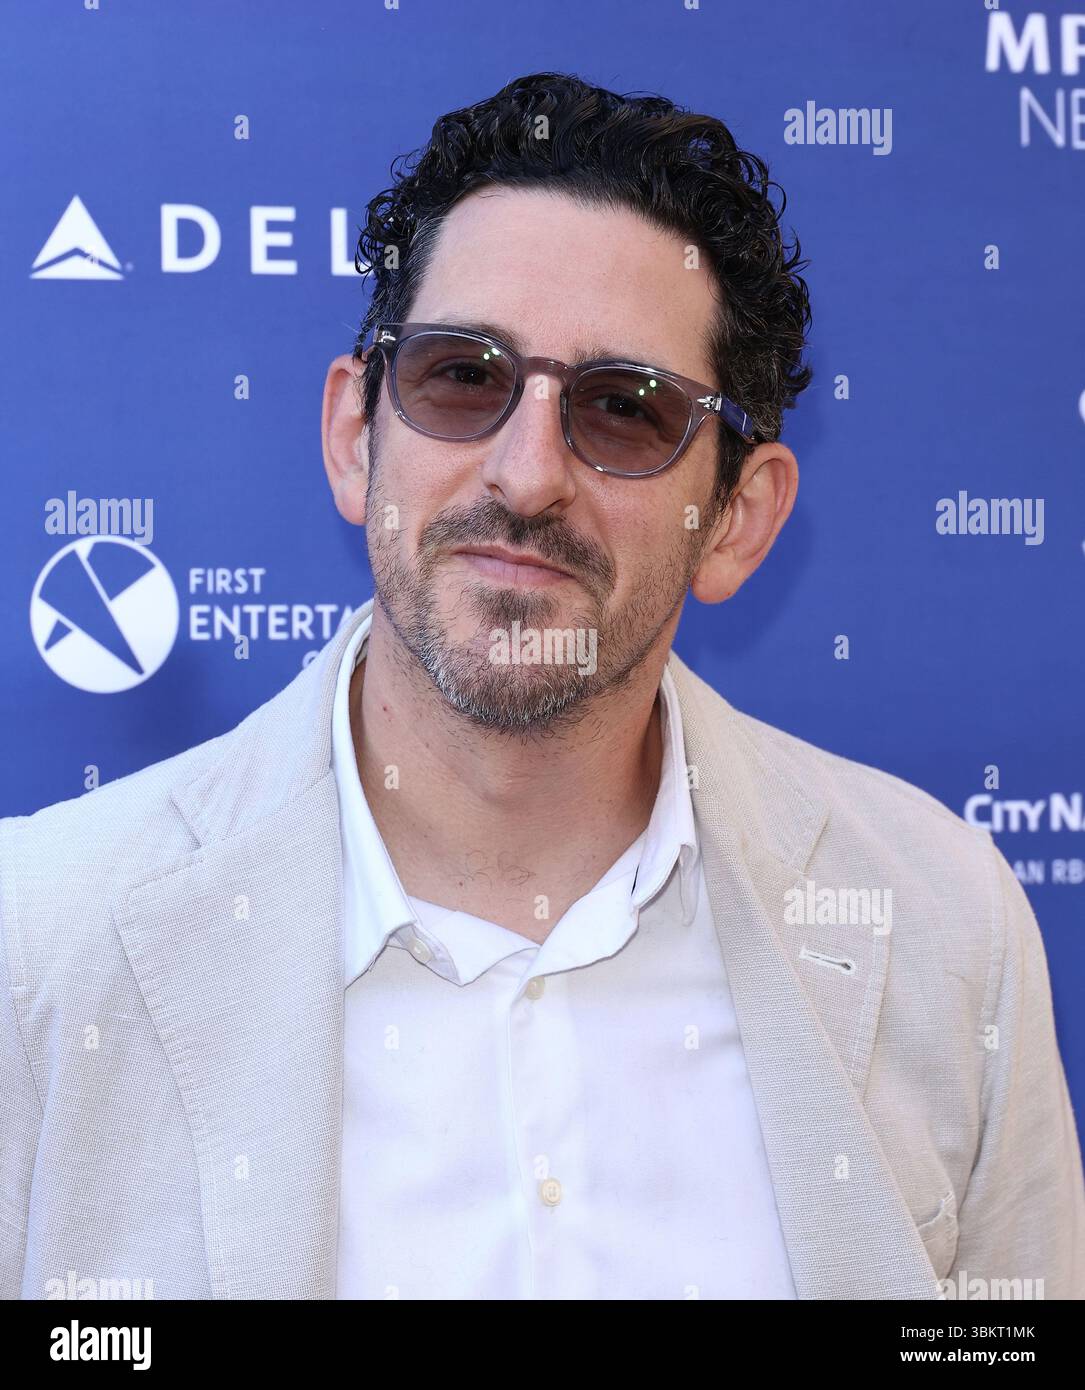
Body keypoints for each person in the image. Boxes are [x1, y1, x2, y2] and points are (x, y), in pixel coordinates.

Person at [2, 71, 1082, 1301]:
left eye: (624, 412)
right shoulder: (38, 945)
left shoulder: (943, 927)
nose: (526, 476)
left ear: (735, 517)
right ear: (358, 436)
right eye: (463, 376)